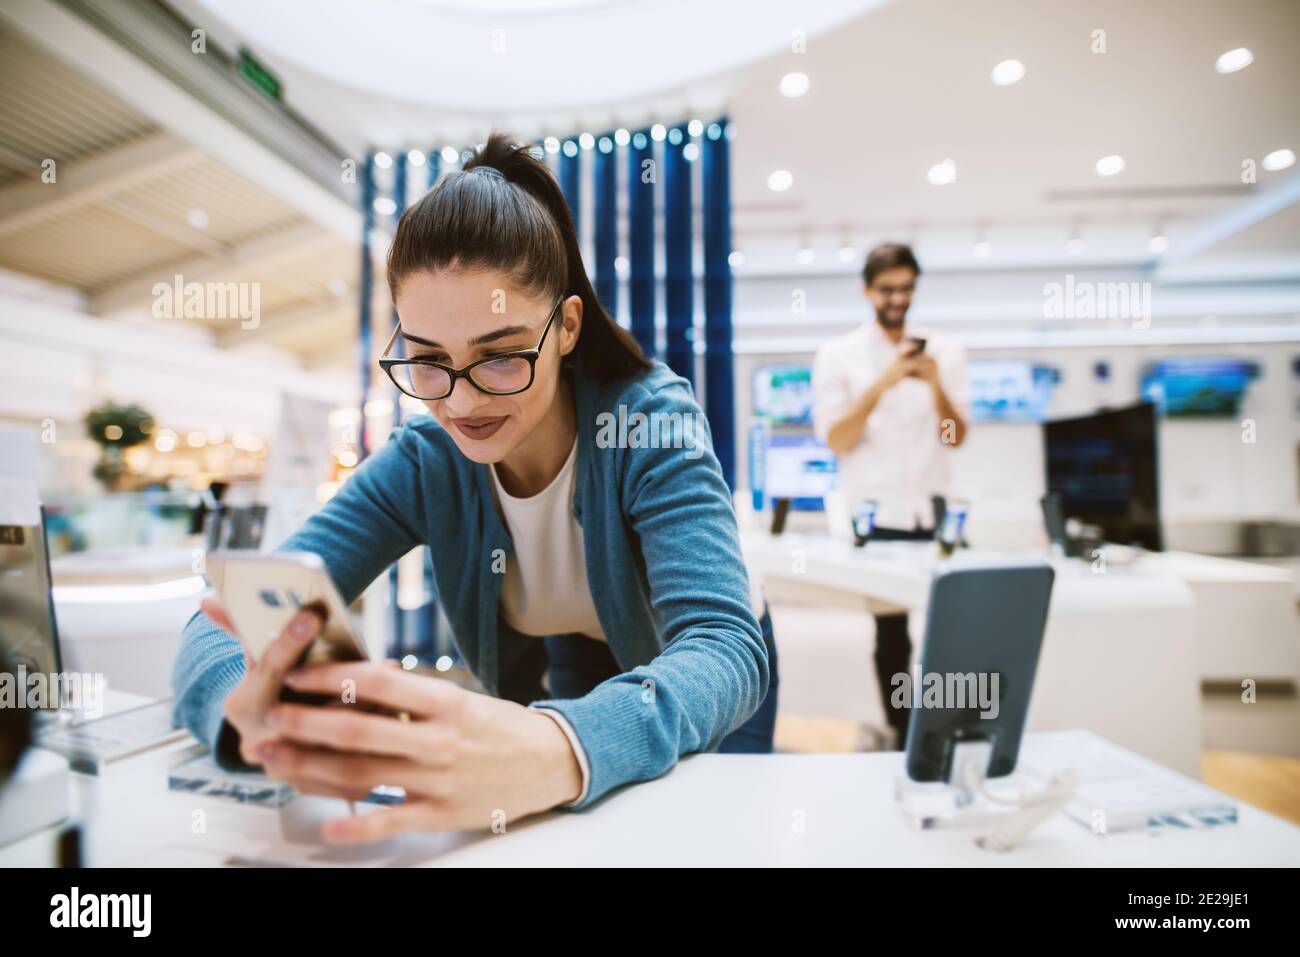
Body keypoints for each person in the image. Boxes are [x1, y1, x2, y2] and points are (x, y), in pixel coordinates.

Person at [172, 133, 778, 843]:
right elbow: (226, 620)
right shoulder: (426, 459)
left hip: (709, 665)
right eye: (428, 361)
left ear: (567, 327)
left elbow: (723, 646)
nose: (460, 402)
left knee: (704, 842)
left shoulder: (650, 424)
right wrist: (256, 721)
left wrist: (562, 745)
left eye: (498, 356)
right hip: (579, 650)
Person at [811, 242, 969, 749]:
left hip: (937, 511)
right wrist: (885, 382)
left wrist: (935, 386)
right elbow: (838, 440)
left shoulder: (946, 351)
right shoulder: (839, 355)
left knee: (953, 630)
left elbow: (955, 436)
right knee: (892, 637)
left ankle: (947, 728)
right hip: (876, 516)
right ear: (867, 291)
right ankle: (903, 734)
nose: (897, 298)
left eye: (906, 288)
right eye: (887, 289)